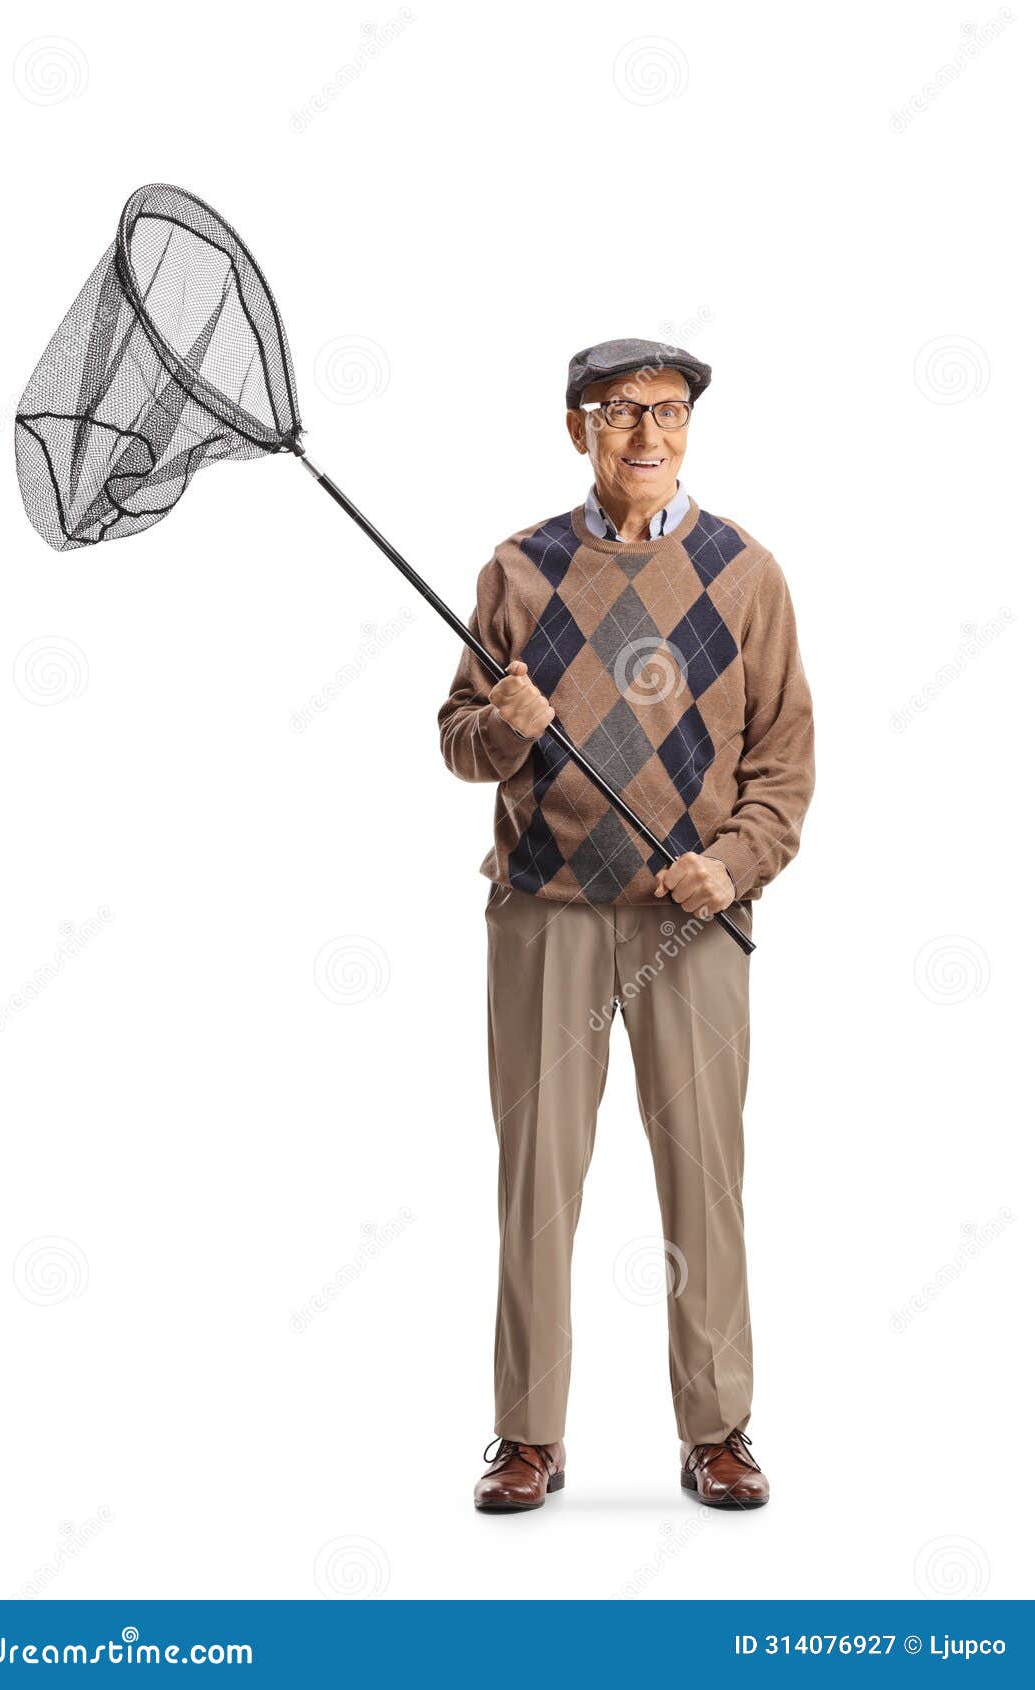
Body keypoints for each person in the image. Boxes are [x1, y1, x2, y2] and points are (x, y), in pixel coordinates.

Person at [438, 338, 815, 1513]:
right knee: (536, 1181)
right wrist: (502, 726)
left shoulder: (744, 573)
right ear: (577, 429)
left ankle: (718, 1429)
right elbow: (458, 740)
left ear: (688, 427)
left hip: (687, 919)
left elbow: (783, 762)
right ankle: (526, 1436)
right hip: (544, 914)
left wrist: (732, 866)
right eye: (617, 412)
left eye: (666, 411)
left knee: (704, 1174)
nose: (646, 434)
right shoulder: (519, 568)